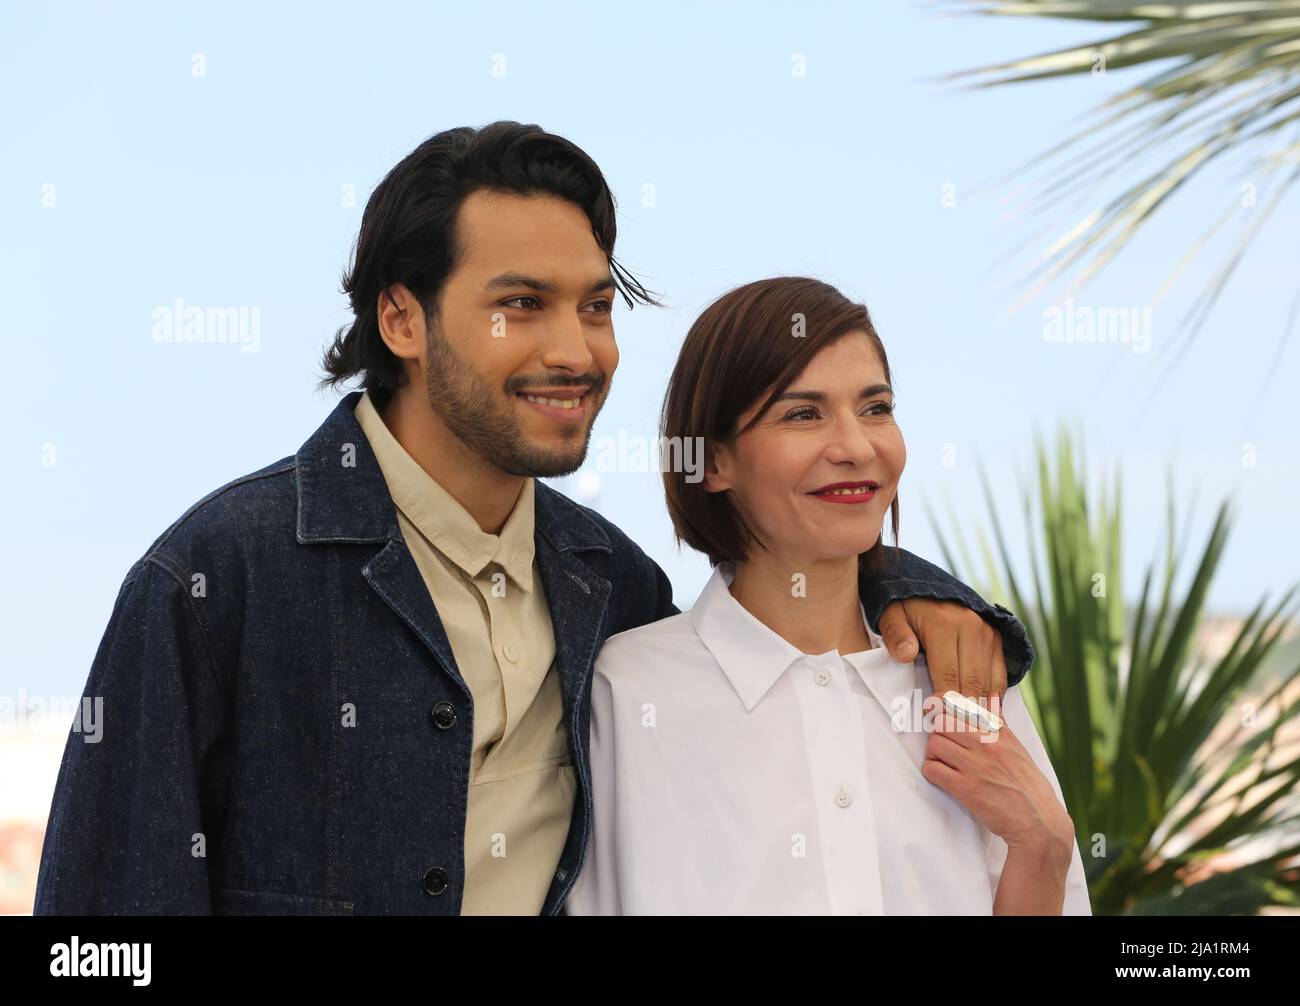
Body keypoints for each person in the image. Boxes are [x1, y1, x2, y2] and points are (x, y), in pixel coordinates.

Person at [35, 123, 1032, 916]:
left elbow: (780, 609)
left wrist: (914, 589)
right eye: (522, 303)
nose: (576, 349)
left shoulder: (614, 589)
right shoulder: (221, 576)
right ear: (402, 320)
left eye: (595, 305)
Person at [565, 277, 1090, 915]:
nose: (856, 447)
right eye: (803, 414)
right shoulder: (628, 690)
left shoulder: (966, 682)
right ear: (715, 461)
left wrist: (1044, 845)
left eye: (876, 408)